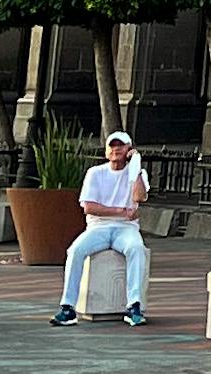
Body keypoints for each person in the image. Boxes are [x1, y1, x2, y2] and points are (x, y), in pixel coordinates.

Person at [53, 134, 149, 327]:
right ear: (106, 151)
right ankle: (67, 307)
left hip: (125, 228)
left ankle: (134, 306)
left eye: (121, 146)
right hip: (98, 227)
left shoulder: (136, 172)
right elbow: (89, 207)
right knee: (75, 250)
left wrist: (136, 166)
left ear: (129, 149)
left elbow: (140, 198)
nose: (116, 150)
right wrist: (120, 211)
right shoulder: (95, 173)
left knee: (136, 249)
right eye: (112, 146)